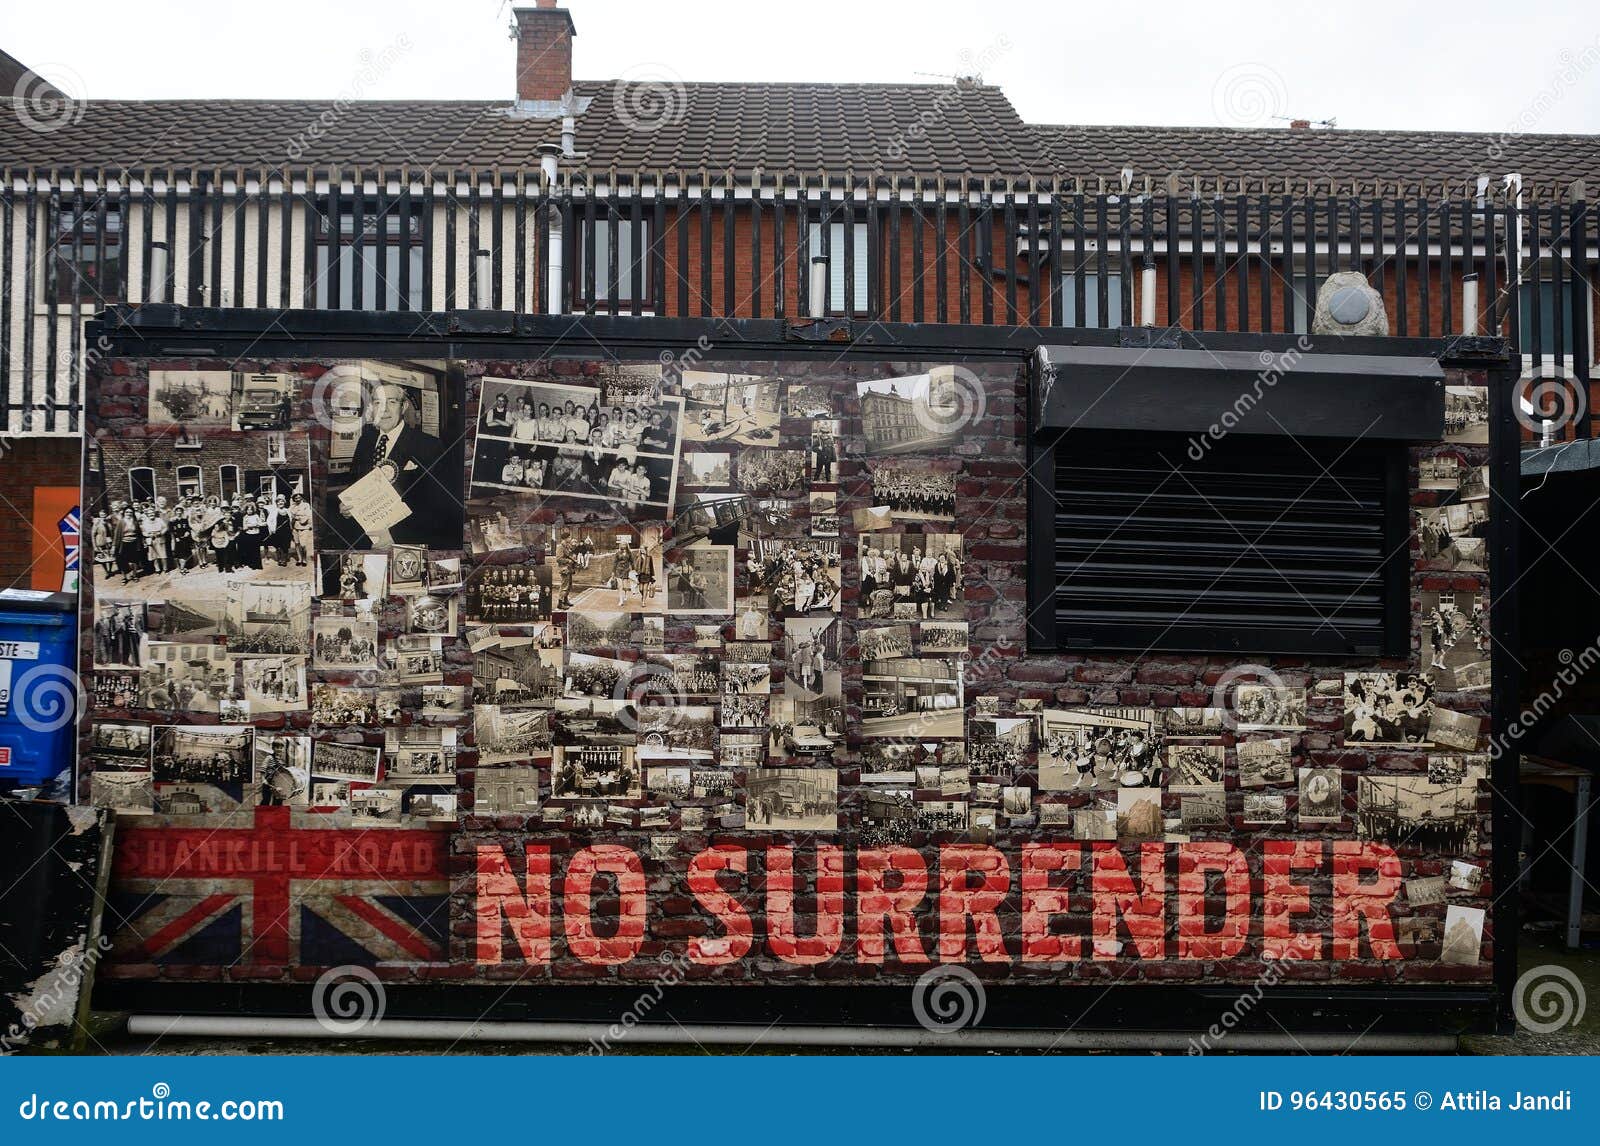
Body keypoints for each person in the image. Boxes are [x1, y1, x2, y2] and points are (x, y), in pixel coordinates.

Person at [337, 380, 453, 547]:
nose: (384, 409)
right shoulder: (365, 440)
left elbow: (441, 506)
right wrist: (347, 506)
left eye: (391, 402)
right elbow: (354, 484)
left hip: (405, 541)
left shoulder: (429, 445)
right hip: (363, 538)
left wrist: (397, 535)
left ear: (403, 407)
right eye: (378, 403)